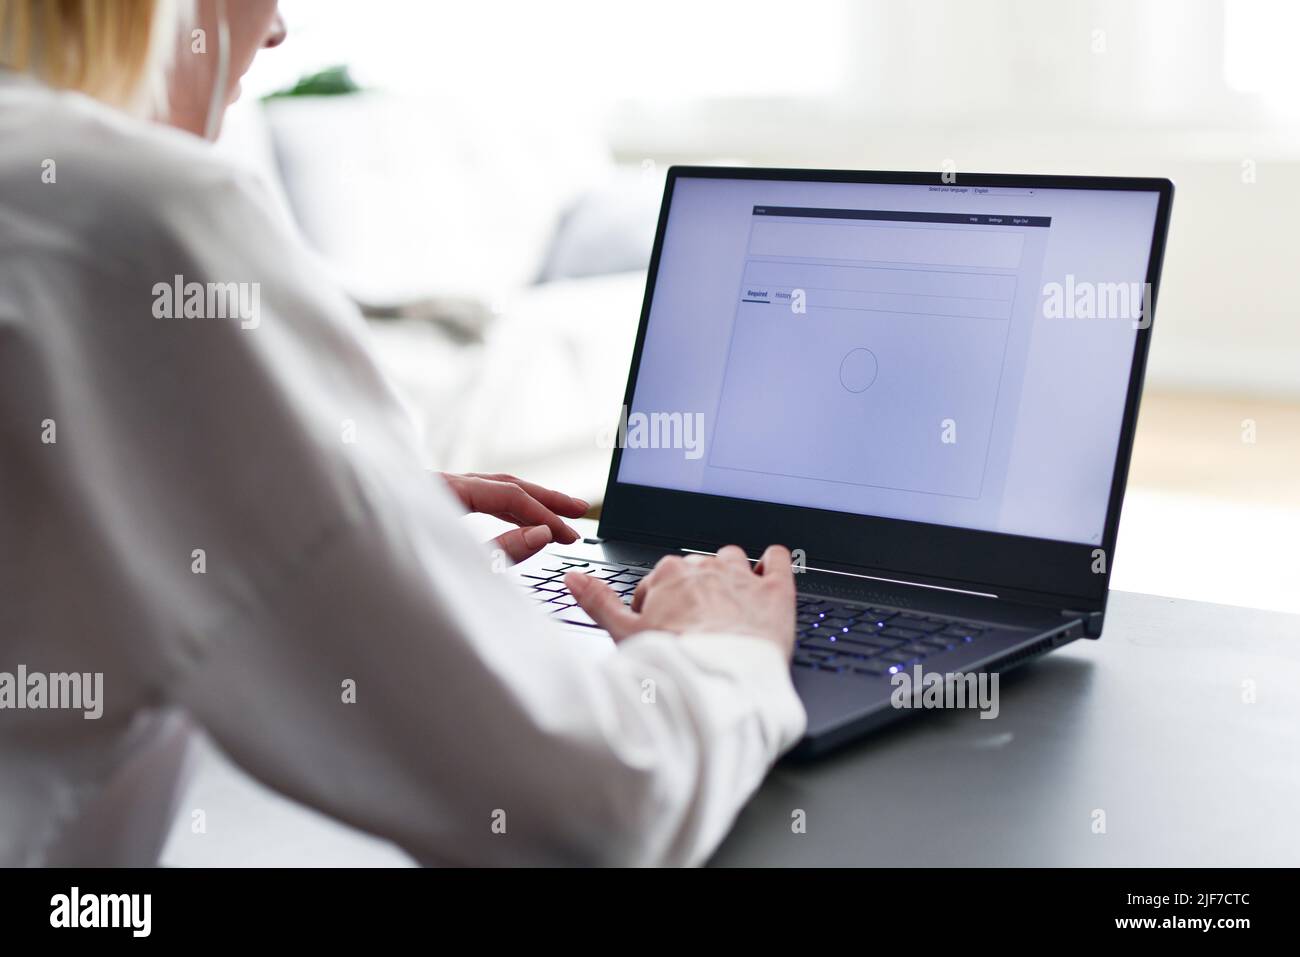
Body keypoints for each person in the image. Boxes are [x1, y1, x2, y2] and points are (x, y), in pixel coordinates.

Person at [0, 0, 806, 866]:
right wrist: (729, 650)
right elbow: (592, 806)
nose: (274, 30)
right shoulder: (137, 215)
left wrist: (319, 529)